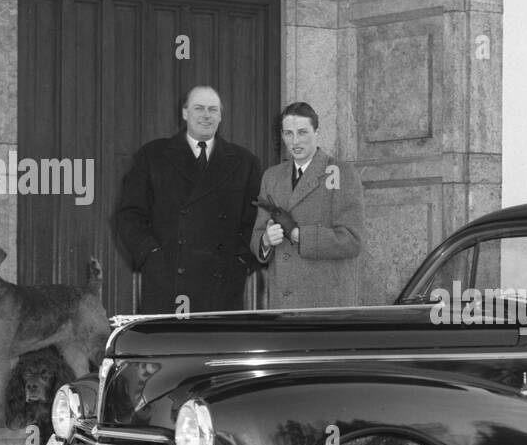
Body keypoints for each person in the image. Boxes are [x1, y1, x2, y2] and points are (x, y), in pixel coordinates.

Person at [113, 85, 263, 314]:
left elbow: (256, 220)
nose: (206, 115)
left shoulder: (245, 162)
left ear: (221, 116)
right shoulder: (153, 155)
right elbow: (129, 215)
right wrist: (151, 255)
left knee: (217, 348)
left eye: (213, 109)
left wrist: (242, 260)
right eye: (198, 108)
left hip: (222, 285)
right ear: (185, 113)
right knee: (169, 348)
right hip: (168, 282)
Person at [252, 102, 365, 308]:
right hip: (283, 303)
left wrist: (299, 235)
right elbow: (257, 235)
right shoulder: (271, 177)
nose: (295, 141)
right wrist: (266, 240)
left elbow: (352, 240)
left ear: (317, 132)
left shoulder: (341, 172)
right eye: (288, 133)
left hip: (325, 302)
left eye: (302, 132)